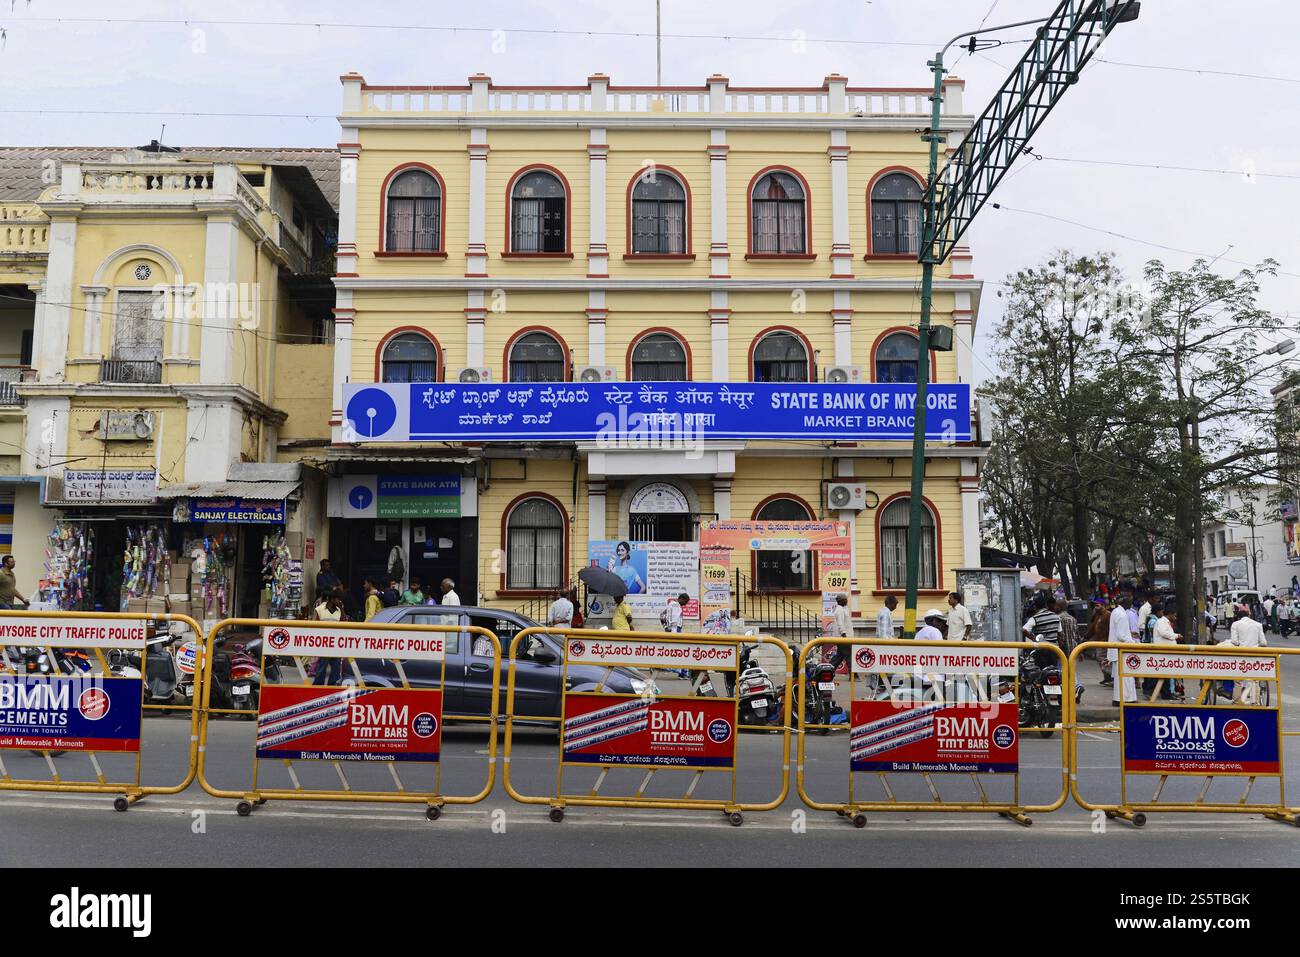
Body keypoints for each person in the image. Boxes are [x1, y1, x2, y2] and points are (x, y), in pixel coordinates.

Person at [1218, 604, 1267, 703]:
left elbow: (1234, 641)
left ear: (1238, 617)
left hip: (1241, 656)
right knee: (1255, 680)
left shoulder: (1236, 624)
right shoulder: (1258, 625)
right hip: (1255, 656)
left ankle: (1237, 701)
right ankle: (1255, 702)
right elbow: (1263, 643)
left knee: (1238, 680)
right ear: (1248, 616)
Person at [1107, 593, 1138, 704]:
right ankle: (1126, 699)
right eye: (1130, 600)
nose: (1131, 602)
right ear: (1124, 602)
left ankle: (1119, 698)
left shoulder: (1116, 612)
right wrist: (1133, 642)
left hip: (1116, 649)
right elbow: (1121, 635)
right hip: (1122, 649)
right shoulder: (1122, 614)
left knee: (1120, 676)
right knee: (1126, 676)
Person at [1054, 598, 1083, 702]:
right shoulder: (1072, 619)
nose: (1054, 607)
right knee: (1071, 671)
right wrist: (1080, 651)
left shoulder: (1058, 618)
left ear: (1059, 607)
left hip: (1063, 651)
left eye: (1056, 605)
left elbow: (1060, 636)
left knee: (1063, 672)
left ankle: (1076, 687)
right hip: (1074, 649)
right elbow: (1077, 636)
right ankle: (1074, 692)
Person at [312, 592, 345, 685]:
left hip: (336, 643)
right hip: (324, 642)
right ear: (331, 599)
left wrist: (342, 608)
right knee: (322, 666)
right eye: (338, 599)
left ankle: (332, 685)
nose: (339, 601)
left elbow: (344, 621)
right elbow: (313, 624)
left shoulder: (339, 610)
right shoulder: (319, 609)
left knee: (336, 667)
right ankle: (318, 686)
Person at [831, 593, 853, 671]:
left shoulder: (843, 609)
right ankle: (854, 675)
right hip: (843, 637)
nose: (847, 601)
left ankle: (828, 670)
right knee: (849, 655)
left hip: (844, 637)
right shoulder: (839, 610)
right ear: (841, 601)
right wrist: (844, 634)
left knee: (839, 656)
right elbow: (840, 623)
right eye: (845, 599)